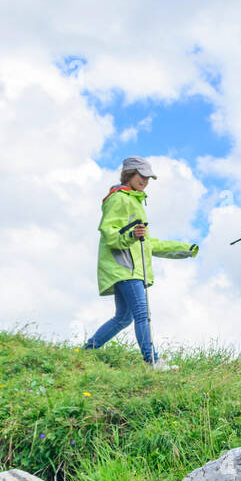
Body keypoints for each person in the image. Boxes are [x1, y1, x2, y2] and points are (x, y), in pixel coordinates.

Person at [84, 157, 199, 367]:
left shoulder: (134, 201)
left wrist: (184, 249)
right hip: (126, 268)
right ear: (129, 174)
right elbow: (109, 233)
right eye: (142, 175)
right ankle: (152, 361)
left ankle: (88, 350)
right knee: (142, 314)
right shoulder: (118, 198)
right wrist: (131, 236)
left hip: (128, 269)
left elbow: (147, 243)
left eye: (148, 177)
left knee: (123, 318)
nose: (145, 181)